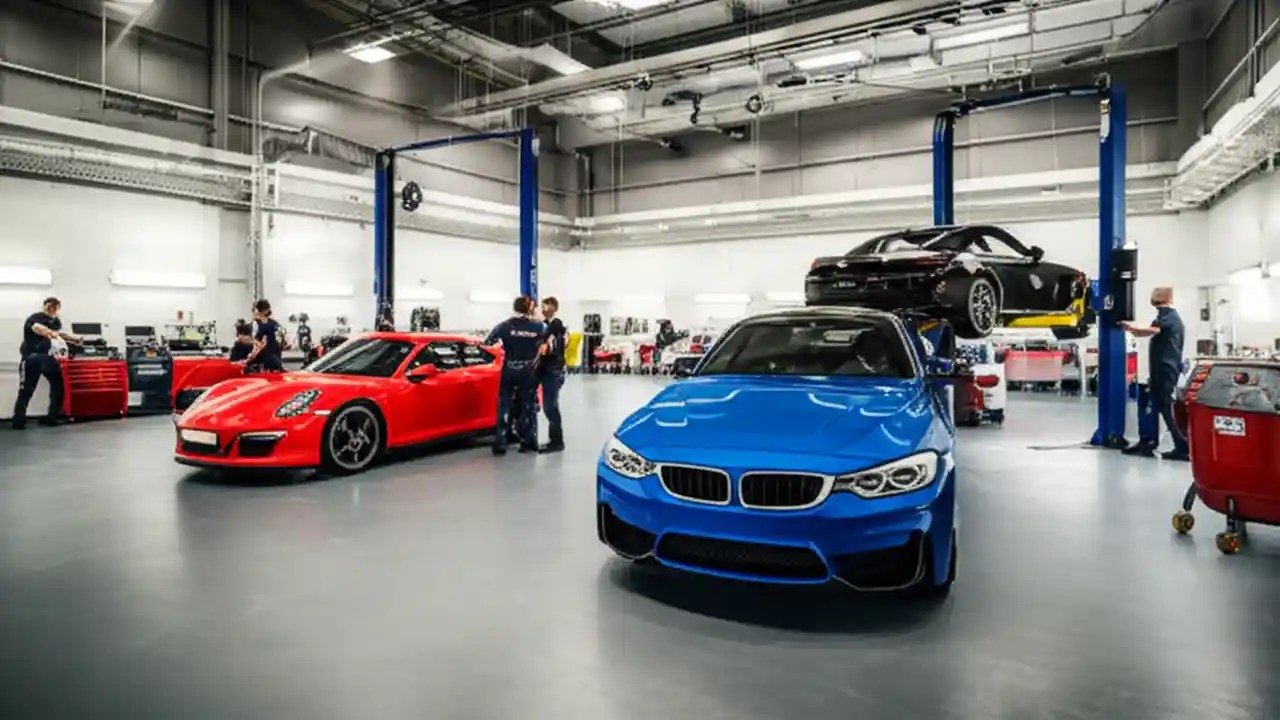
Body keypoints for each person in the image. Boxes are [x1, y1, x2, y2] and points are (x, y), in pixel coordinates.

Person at [1121, 287, 1188, 461]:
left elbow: (1154, 330)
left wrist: (1132, 329)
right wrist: (1133, 330)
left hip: (1166, 370)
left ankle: (1182, 447)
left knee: (1166, 408)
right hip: (1161, 369)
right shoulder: (1163, 316)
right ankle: (1148, 442)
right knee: (1153, 405)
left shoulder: (1169, 317)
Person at [485, 296, 546, 455]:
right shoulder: (539, 327)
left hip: (510, 367)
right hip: (529, 369)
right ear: (530, 309)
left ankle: (501, 442)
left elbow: (488, 342)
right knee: (528, 406)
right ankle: (528, 442)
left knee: (504, 405)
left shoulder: (505, 326)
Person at [12, 297, 81, 430]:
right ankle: (18, 420)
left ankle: (52, 417)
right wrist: (51, 333)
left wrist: (74, 339)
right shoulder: (36, 318)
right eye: (50, 306)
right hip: (32, 358)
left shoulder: (55, 321)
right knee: (26, 390)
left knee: (58, 387)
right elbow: (37, 328)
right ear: (45, 306)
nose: (52, 309)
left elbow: (59, 334)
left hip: (48, 358)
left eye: (55, 307)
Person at [536, 297, 567, 453]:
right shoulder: (548, 325)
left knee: (550, 406)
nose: (543, 307)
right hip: (548, 370)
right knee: (549, 405)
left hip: (553, 371)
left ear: (554, 307)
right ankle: (554, 440)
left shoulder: (556, 325)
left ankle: (557, 441)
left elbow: (548, 344)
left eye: (545, 305)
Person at [244, 300, 284, 373]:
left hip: (266, 356)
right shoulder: (275, 324)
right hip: (271, 356)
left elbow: (254, 341)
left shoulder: (257, 324)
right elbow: (280, 339)